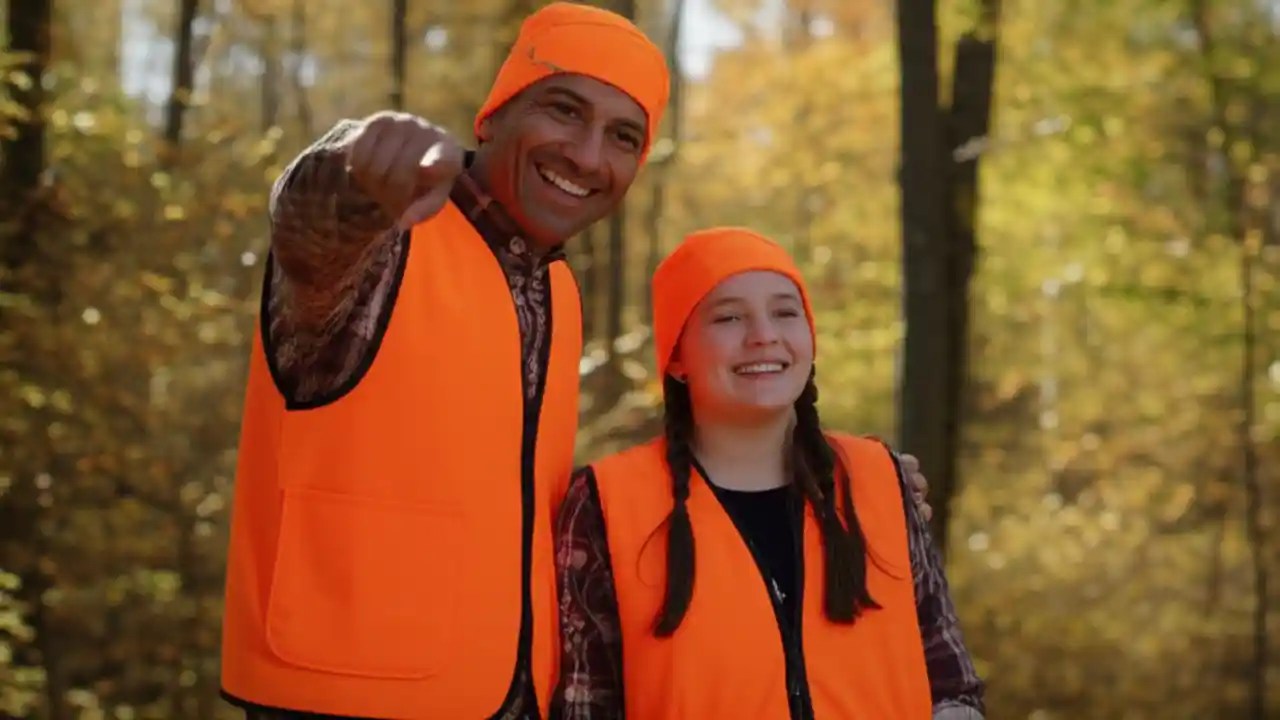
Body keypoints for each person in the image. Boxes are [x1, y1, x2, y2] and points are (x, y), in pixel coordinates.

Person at [218, 4, 670, 719]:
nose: (588, 155)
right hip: (343, 697)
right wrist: (356, 170)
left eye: (623, 137)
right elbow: (312, 231)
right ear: (493, 116)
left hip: (506, 697)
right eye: (564, 110)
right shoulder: (392, 231)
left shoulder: (559, 291)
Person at [552, 227, 985, 720]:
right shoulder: (607, 505)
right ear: (675, 357)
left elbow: (952, 686)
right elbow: (586, 706)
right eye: (729, 317)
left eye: (784, 312)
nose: (764, 335)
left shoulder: (881, 482)